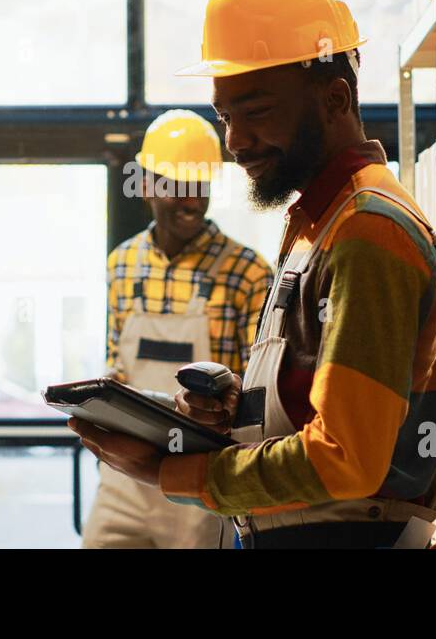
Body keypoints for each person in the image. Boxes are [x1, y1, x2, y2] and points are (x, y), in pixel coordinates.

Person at [70, 0, 436, 549]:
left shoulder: (369, 232)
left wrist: (165, 470)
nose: (234, 141)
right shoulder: (318, 227)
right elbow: (317, 410)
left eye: (255, 111)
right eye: (226, 116)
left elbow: (345, 460)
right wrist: (237, 413)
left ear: (335, 98)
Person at [80, 108, 273, 549]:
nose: (191, 201)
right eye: (177, 187)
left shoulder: (247, 273)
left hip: (200, 481)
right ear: (146, 185)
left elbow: (260, 398)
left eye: (199, 187)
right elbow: (118, 363)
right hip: (124, 478)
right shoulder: (122, 265)